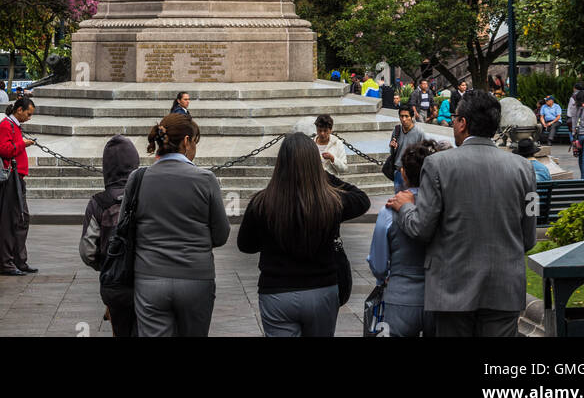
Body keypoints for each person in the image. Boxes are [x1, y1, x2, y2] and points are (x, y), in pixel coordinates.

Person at [387, 89, 537, 338]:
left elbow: (421, 228)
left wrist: (405, 207)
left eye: (455, 117)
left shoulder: (438, 165)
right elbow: (529, 236)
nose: (454, 122)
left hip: (452, 288)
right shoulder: (523, 168)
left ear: (463, 123)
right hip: (505, 288)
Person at [237, 131, 369, 338]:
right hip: (321, 289)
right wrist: (320, 175)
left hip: (277, 291)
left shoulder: (261, 203)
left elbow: (246, 245)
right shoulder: (331, 203)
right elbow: (361, 199)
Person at [127, 112, 229, 337]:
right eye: (195, 142)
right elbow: (221, 235)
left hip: (149, 277)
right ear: (186, 141)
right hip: (196, 278)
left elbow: (125, 229)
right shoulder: (205, 179)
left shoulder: (138, 178)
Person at [368, 140, 441, 337]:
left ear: (403, 173)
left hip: (401, 297)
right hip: (438, 296)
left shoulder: (388, 211)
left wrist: (385, 276)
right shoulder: (442, 209)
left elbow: (379, 265)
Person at [81, 135, 141, 337]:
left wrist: (106, 263)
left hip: (113, 282)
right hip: (145, 279)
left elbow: (88, 251)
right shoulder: (144, 194)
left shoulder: (98, 202)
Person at [0, 94, 37, 275]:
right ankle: (7, 261)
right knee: (10, 219)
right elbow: (4, 149)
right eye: (28, 113)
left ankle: (19, 259)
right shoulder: (6, 125)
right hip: (10, 178)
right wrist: (23, 144)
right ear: (19, 110)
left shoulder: (14, 126)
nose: (29, 117)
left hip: (17, 177)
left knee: (21, 218)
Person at [388, 106, 426, 193]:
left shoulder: (419, 133)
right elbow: (392, 153)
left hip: (411, 173)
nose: (404, 119)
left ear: (412, 117)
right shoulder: (396, 130)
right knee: (399, 198)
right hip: (398, 171)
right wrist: (392, 147)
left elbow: (423, 154)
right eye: (401, 116)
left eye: (406, 116)